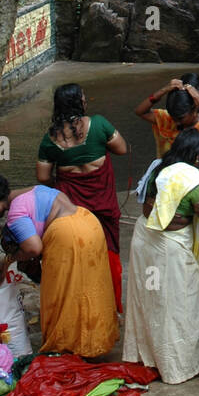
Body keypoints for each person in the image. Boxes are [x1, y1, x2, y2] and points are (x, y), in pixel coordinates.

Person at [0, 172, 118, 357]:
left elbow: (33, 248)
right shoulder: (30, 190)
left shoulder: (16, 213)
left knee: (62, 294)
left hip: (68, 235)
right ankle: (96, 342)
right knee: (90, 288)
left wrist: (8, 260)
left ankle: (66, 347)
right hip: (89, 223)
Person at [123, 129, 199, 383]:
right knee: (181, 305)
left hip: (145, 240)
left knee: (150, 300)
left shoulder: (159, 169)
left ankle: (151, 357)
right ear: (196, 157)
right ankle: (183, 364)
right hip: (169, 248)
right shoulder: (194, 181)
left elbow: (148, 207)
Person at [36, 83, 127, 311]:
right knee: (108, 253)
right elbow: (122, 149)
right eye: (84, 97)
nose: (86, 100)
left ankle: (82, 309)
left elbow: (43, 177)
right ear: (79, 103)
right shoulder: (98, 124)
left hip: (73, 209)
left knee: (79, 256)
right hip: (103, 204)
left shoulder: (50, 140)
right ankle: (111, 308)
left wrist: (64, 175)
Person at [135, 79, 199, 204]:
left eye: (181, 118)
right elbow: (140, 111)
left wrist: (198, 98)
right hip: (170, 182)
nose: (177, 122)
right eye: (174, 118)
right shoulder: (169, 121)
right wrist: (164, 90)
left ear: (194, 110)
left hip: (196, 184)